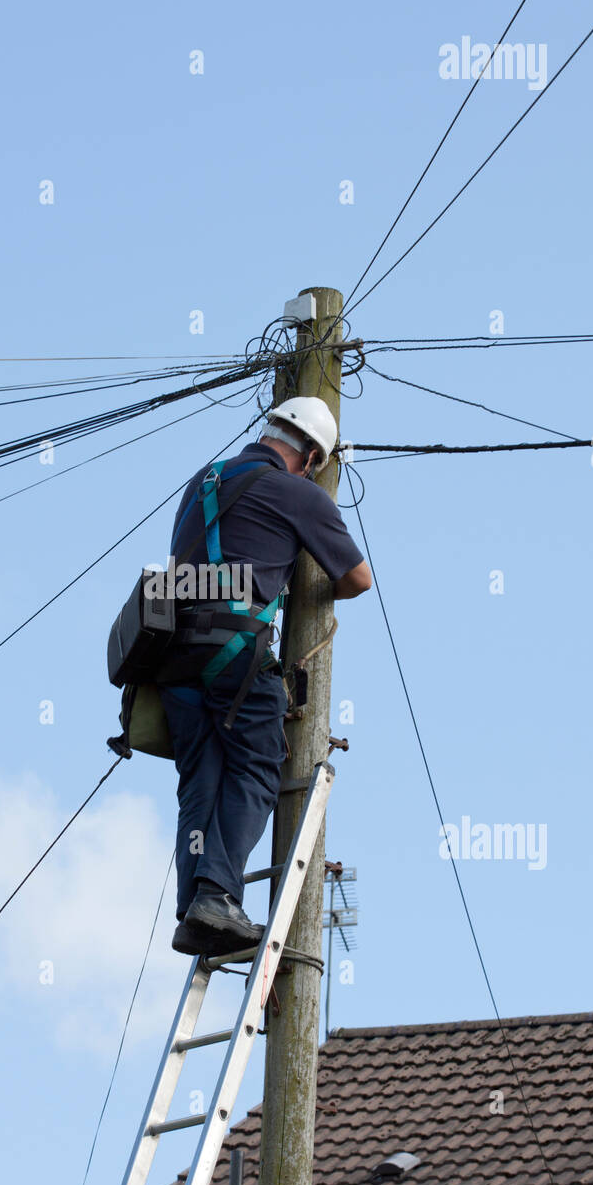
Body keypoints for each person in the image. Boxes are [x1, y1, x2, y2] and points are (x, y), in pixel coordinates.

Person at [156, 396, 372, 957]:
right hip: (234, 651)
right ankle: (218, 898)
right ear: (314, 458)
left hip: (172, 656)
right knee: (257, 763)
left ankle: (196, 907)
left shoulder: (201, 481)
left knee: (200, 777)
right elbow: (357, 579)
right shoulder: (300, 493)